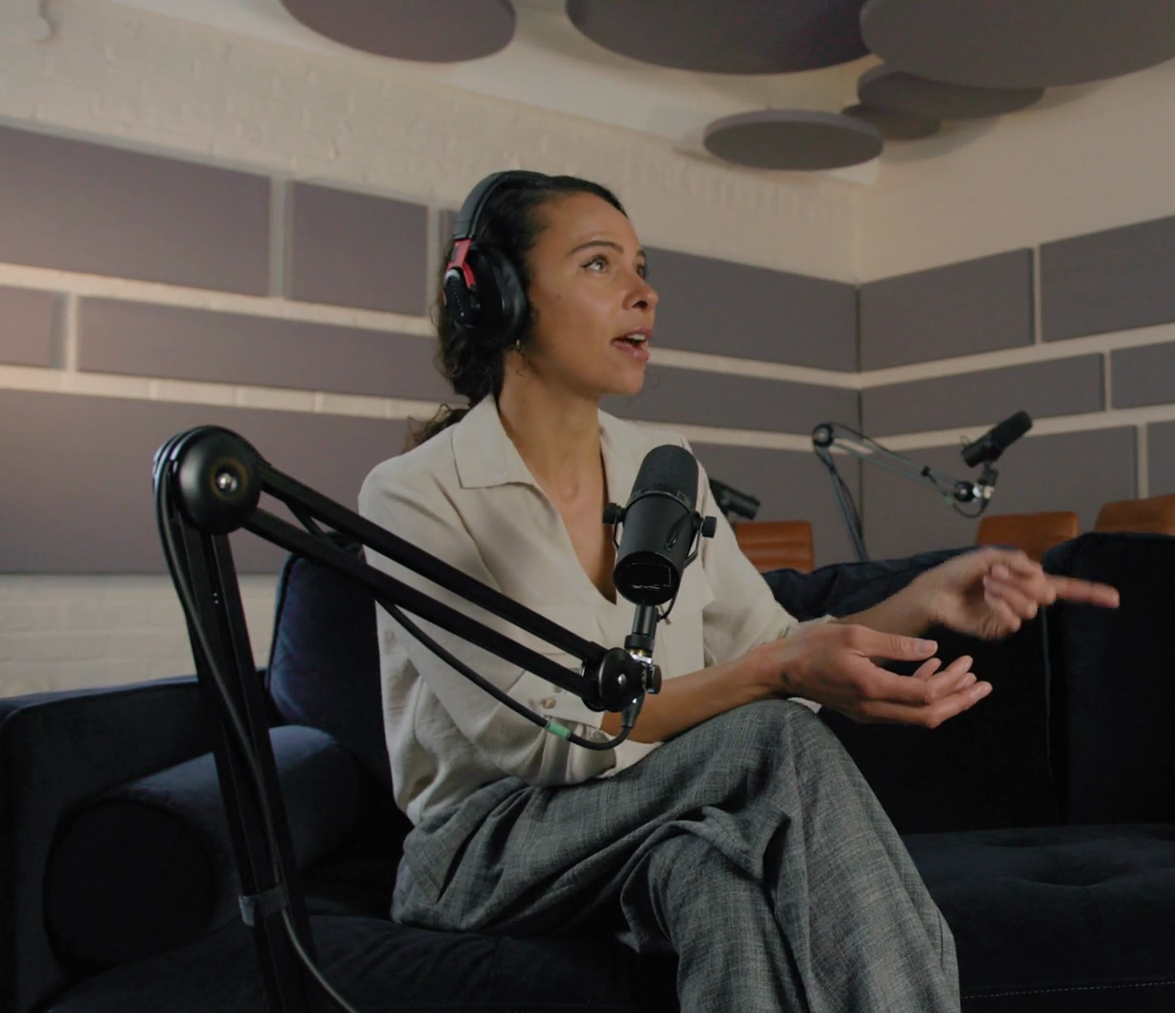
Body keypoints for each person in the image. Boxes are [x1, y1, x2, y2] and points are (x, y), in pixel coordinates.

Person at [359, 170, 1119, 1011]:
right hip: (492, 846)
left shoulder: (664, 465)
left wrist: (924, 595)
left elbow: (770, 643)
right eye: (601, 265)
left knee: (712, 877)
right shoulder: (413, 494)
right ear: (500, 294)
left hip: (659, 818)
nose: (644, 293)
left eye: (643, 267)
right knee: (770, 742)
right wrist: (775, 676)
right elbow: (554, 736)